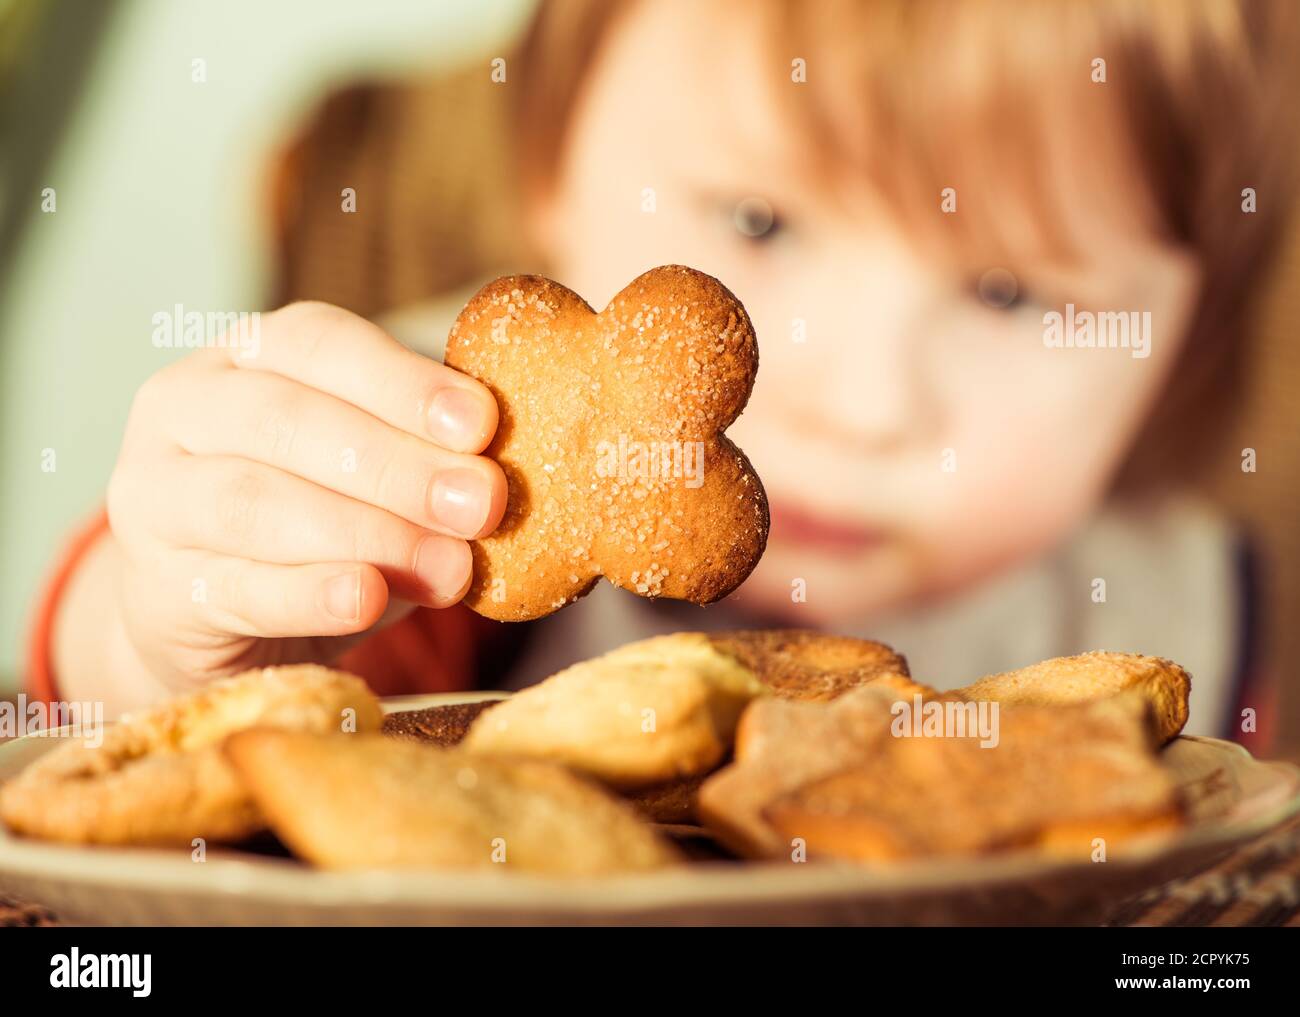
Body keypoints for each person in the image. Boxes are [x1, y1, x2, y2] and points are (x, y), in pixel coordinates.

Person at [32, 0, 1299, 749]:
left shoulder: (1175, 616)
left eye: (1015, 294)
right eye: (756, 221)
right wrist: (165, 640)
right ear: (550, 168)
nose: (861, 403)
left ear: (1183, 343)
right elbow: (121, 711)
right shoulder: (444, 455)